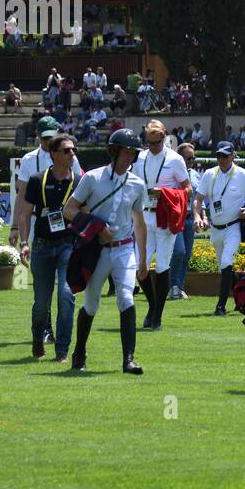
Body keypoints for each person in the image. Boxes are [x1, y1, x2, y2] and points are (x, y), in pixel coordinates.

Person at [62, 128, 148, 375]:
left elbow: (140, 224)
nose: (130, 156)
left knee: (126, 298)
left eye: (133, 152)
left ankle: (128, 359)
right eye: (126, 151)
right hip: (97, 250)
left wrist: (143, 260)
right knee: (91, 305)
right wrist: (96, 227)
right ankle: (79, 352)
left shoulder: (137, 184)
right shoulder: (93, 177)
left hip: (124, 249)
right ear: (114, 151)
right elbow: (69, 210)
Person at [15, 134, 80, 362]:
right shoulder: (36, 180)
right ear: (53, 155)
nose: (72, 154)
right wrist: (24, 243)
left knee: (66, 295)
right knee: (41, 304)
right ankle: (37, 339)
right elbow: (24, 214)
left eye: (73, 150)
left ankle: (62, 350)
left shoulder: (79, 181)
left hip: (68, 247)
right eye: (67, 151)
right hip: (42, 247)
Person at [132, 120, 193, 330]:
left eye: (156, 143)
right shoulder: (140, 158)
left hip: (164, 217)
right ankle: (153, 306)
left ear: (164, 138)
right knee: (141, 265)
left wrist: (165, 192)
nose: (152, 147)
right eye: (148, 143)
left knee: (162, 266)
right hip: (144, 215)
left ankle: (156, 316)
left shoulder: (175, 159)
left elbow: (188, 189)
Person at [195, 141, 245, 315]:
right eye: (218, 155)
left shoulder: (243, 175)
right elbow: (198, 199)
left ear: (233, 156)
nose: (221, 159)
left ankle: (221, 306)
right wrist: (199, 216)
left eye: (225, 155)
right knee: (225, 268)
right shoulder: (209, 174)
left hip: (234, 227)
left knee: (226, 262)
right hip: (216, 228)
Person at [169, 143, 204, 300]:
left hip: (191, 218)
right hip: (177, 217)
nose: (192, 161)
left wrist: (202, 216)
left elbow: (199, 198)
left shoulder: (196, 175)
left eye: (193, 158)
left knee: (186, 254)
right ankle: (172, 285)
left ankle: (179, 287)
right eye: (189, 158)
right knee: (179, 251)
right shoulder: (173, 174)